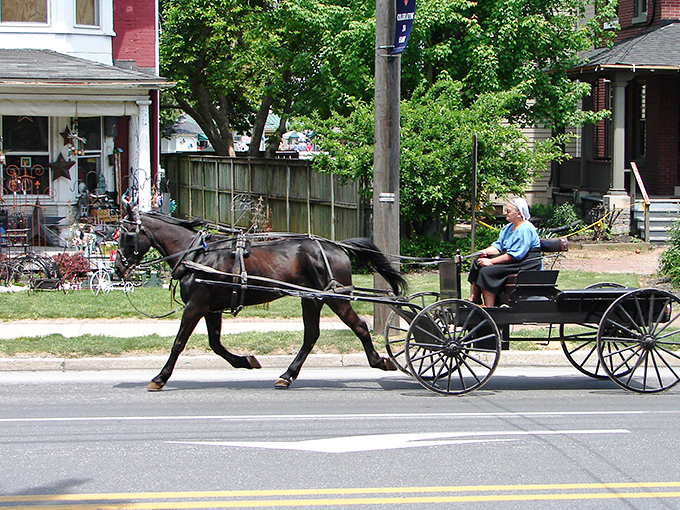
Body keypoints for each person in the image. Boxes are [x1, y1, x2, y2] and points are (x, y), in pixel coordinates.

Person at [468, 198, 542, 307]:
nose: (505, 213)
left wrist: (491, 262)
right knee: (477, 262)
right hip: (513, 260)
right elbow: (498, 246)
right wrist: (485, 252)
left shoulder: (525, 229)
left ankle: (490, 308)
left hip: (525, 263)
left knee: (487, 272)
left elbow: (515, 255)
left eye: (508, 211)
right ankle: (475, 297)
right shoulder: (508, 228)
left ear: (519, 214)